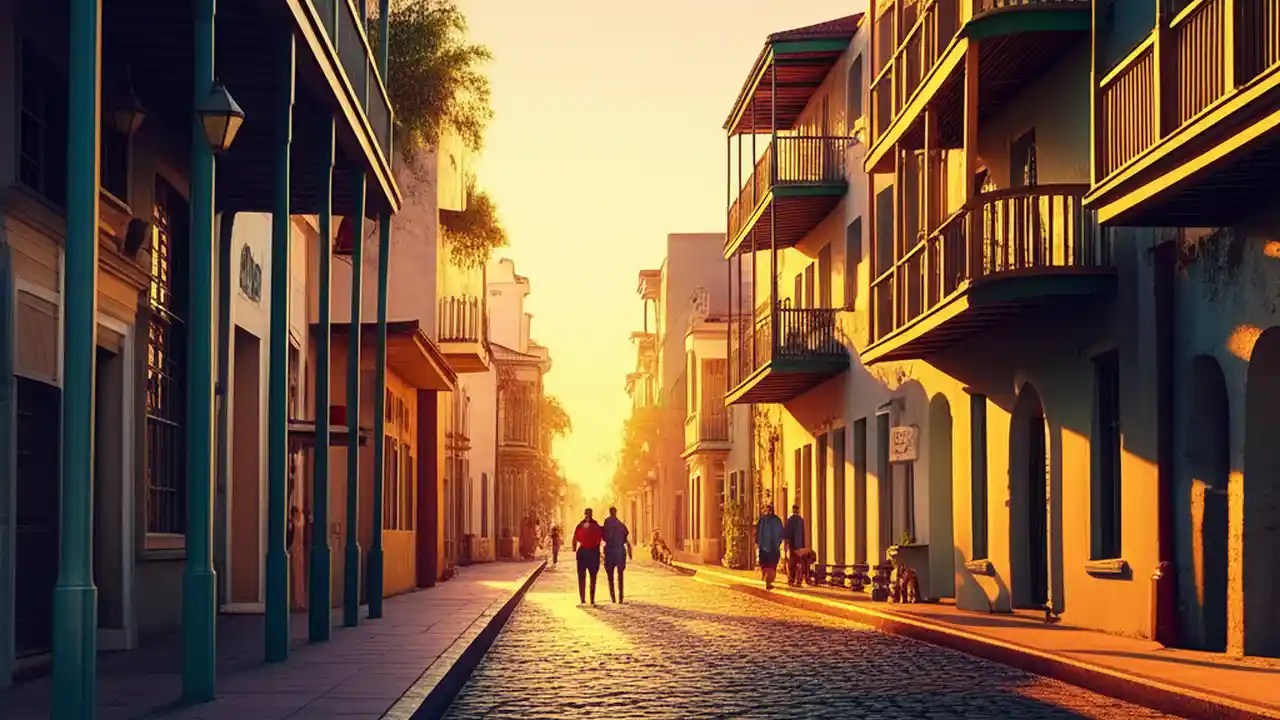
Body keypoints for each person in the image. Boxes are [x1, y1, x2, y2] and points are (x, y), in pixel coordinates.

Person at [572, 508, 604, 605]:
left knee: (582, 577)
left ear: (585, 514)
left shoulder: (580, 525)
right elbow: (599, 539)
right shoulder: (596, 526)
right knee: (593, 577)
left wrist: (574, 548)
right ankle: (592, 599)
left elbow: (575, 538)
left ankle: (583, 599)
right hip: (593, 553)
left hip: (582, 553)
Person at [601, 506, 632, 603]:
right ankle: (620, 597)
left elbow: (604, 536)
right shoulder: (620, 524)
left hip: (610, 551)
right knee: (620, 576)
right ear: (615, 512)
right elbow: (626, 534)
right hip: (619, 552)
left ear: (610, 512)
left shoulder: (607, 523)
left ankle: (613, 597)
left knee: (610, 576)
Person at [755, 504, 784, 590]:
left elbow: (780, 532)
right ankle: (768, 580)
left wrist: (778, 542)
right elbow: (758, 532)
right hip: (766, 547)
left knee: (770, 564)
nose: (767, 512)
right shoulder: (763, 520)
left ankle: (768, 580)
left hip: (771, 547)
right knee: (768, 564)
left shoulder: (774, 520)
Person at [785, 504, 808, 586]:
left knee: (792, 563)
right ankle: (799, 580)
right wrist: (803, 544)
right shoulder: (801, 520)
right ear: (798, 510)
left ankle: (791, 579)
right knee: (799, 563)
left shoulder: (790, 520)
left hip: (792, 545)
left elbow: (787, 533)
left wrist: (786, 542)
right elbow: (803, 533)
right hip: (800, 545)